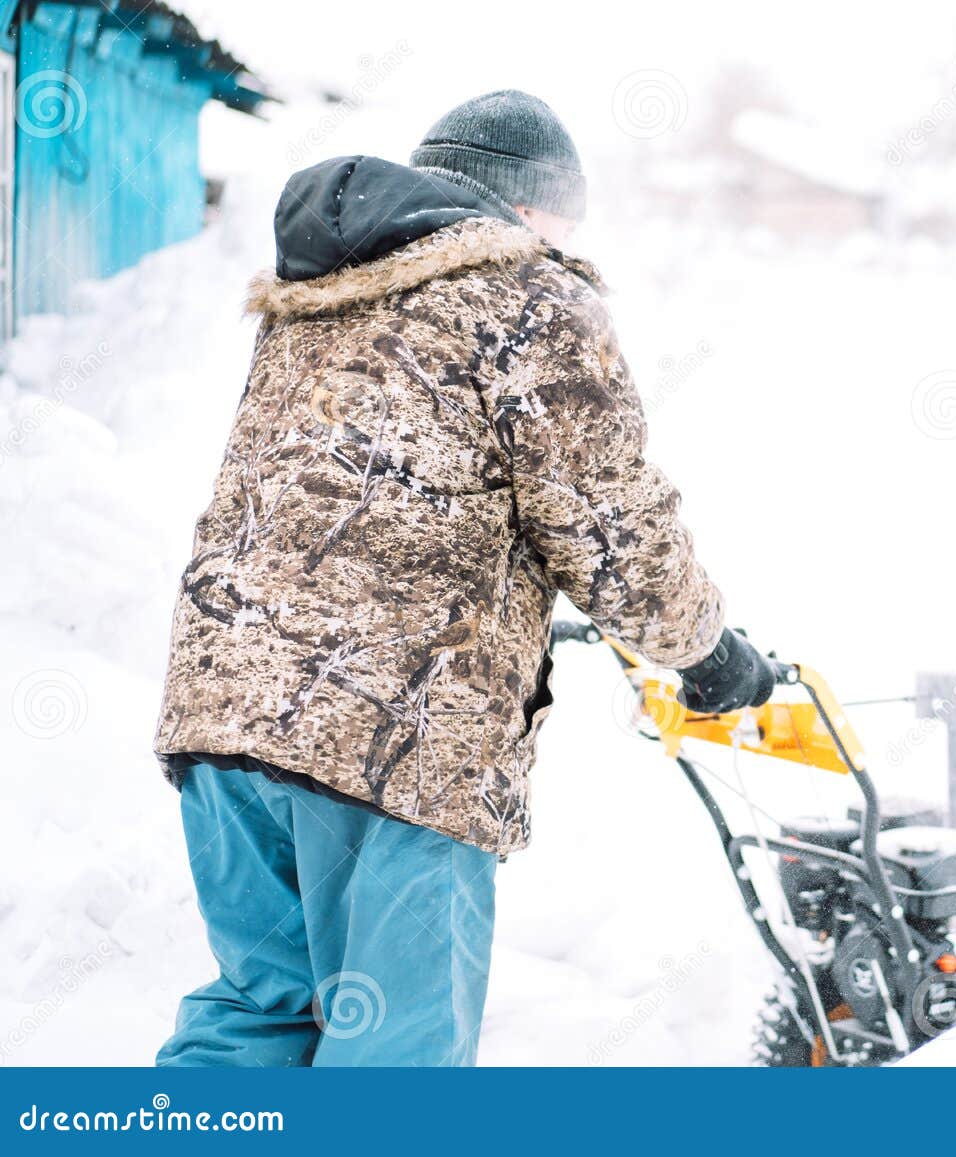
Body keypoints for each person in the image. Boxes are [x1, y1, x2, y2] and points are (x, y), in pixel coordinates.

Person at [151, 90, 773, 1066]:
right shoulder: (529, 295)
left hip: (226, 713)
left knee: (265, 1011)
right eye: (566, 216)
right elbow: (606, 521)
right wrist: (707, 650)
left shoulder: (319, 294)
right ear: (529, 206)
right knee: (393, 1048)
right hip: (391, 733)